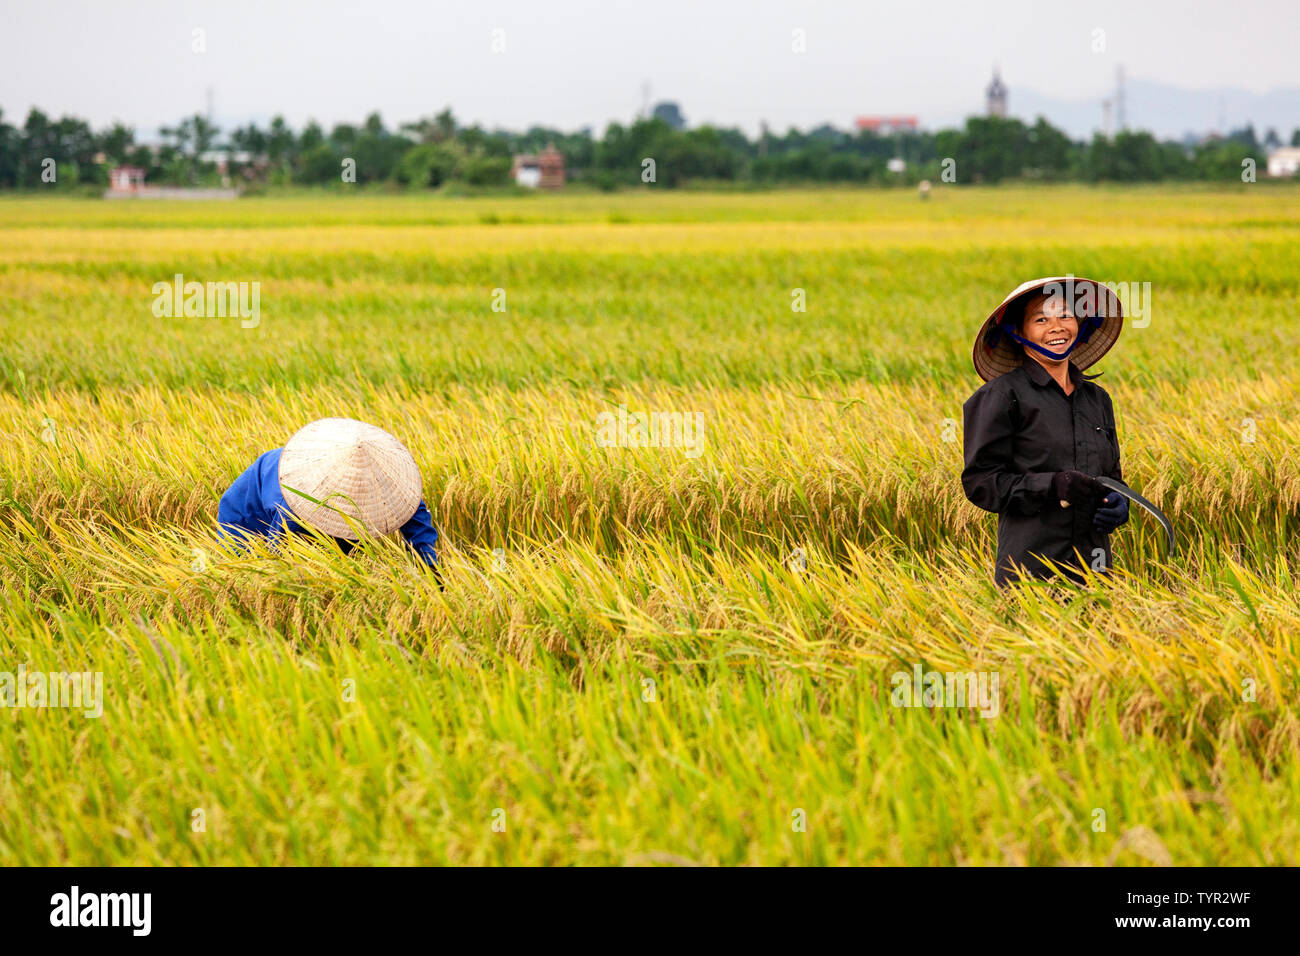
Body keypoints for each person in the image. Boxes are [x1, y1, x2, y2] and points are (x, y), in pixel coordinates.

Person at [961, 277, 1130, 587]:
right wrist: (1052, 485)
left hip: (1096, 570)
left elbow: (1111, 475)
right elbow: (981, 482)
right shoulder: (1001, 396)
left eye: (1065, 315)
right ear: (1018, 332)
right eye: (1041, 319)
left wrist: (1119, 502)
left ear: (1080, 323)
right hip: (1031, 573)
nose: (1057, 326)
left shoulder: (1097, 399)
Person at [217, 417, 440, 574]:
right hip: (250, 518)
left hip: (317, 510)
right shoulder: (297, 497)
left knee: (342, 561)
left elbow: (414, 518)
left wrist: (430, 569)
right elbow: (280, 559)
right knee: (251, 575)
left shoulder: (391, 479)